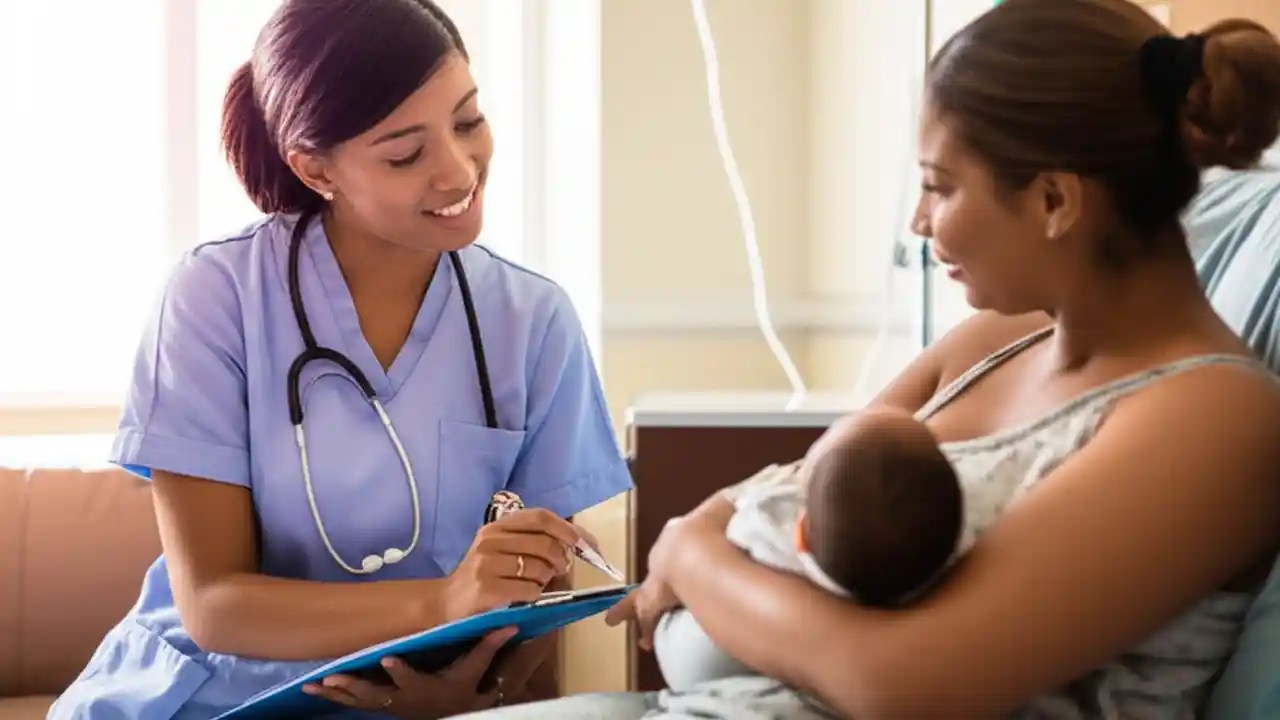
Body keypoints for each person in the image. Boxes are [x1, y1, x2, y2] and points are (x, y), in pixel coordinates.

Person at [457, 1, 1280, 718]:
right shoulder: (994, 345)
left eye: (940, 186)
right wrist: (698, 538)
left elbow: (906, 688)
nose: (921, 222)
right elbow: (777, 492)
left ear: (1055, 201)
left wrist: (693, 560)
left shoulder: (1212, 421)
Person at [48, 1, 632, 718]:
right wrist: (442, 602)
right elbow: (214, 605)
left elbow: (541, 579)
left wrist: (476, 691)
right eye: (404, 153)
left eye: (468, 122)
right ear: (315, 169)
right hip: (207, 698)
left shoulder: (533, 320)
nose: (457, 172)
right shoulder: (215, 296)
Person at [653, 407, 963, 693]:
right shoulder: (928, 557)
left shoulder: (769, 518)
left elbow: (719, 527)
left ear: (799, 533)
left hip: (706, 646)